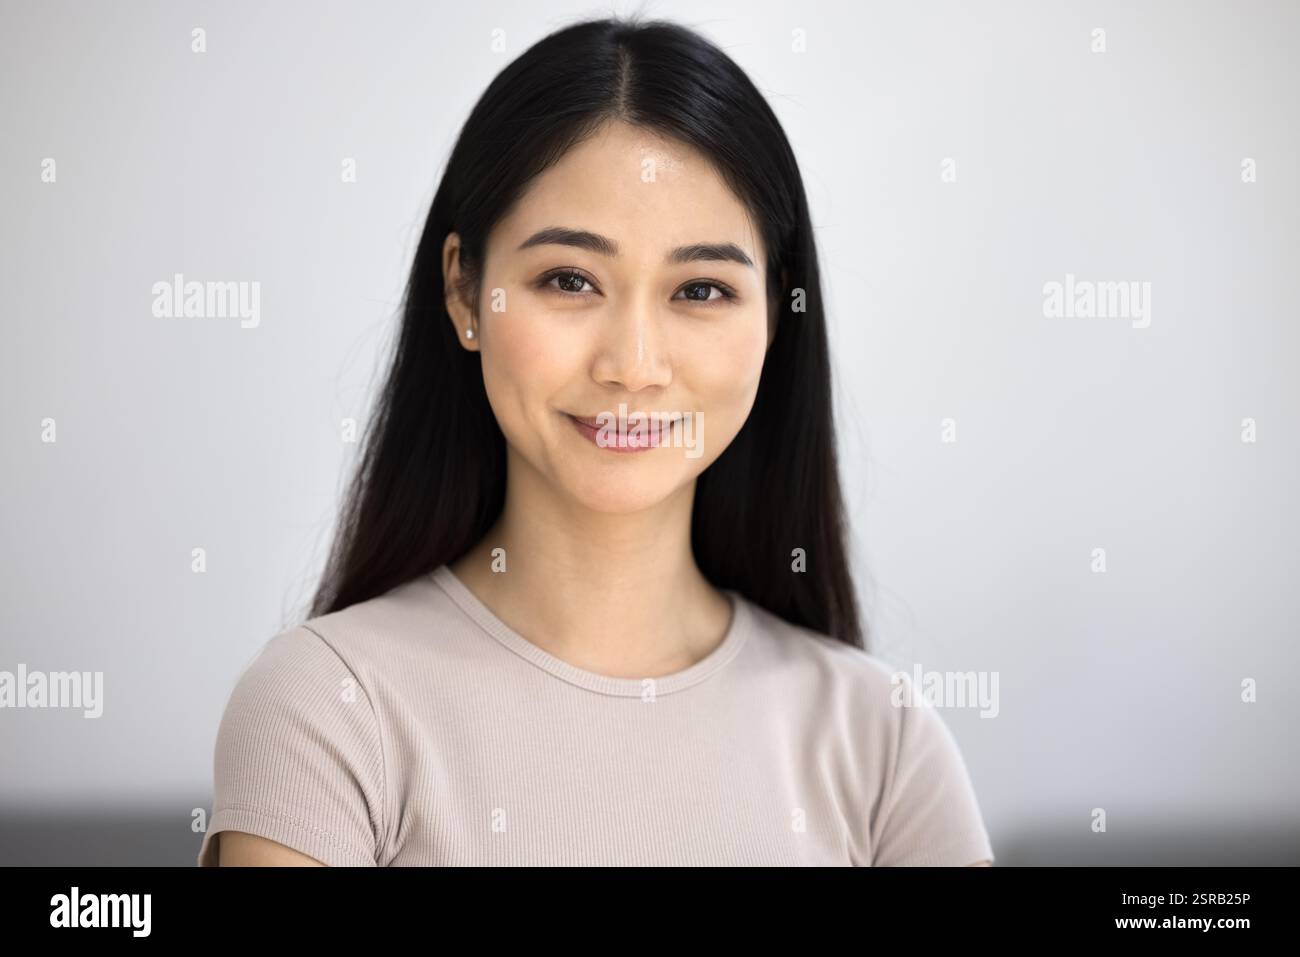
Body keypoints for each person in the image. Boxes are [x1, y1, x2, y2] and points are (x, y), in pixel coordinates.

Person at [198, 14, 994, 867]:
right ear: (466, 292)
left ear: (776, 316)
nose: (633, 365)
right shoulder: (326, 714)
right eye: (569, 280)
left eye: (701, 289)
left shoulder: (884, 744)